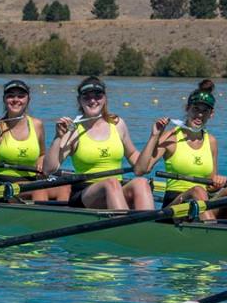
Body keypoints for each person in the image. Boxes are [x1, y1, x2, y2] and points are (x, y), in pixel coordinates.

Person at [135, 79, 227, 221]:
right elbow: (140, 170)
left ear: (211, 114)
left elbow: (210, 186)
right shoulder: (171, 137)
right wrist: (154, 136)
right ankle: (211, 231)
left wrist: (218, 182)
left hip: (202, 202)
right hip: (174, 205)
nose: (199, 115)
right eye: (196, 109)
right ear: (187, 109)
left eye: (205, 111)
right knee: (197, 190)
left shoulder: (211, 141)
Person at [43, 76, 153, 210]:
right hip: (84, 194)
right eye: (87, 97)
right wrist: (57, 137)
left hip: (115, 189)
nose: (93, 100)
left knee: (141, 182)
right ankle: (125, 226)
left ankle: (146, 226)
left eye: (98, 96)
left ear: (105, 99)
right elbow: (49, 169)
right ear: (79, 101)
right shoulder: (73, 130)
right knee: (111, 182)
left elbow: (133, 156)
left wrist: (154, 138)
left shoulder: (117, 124)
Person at [0, 79, 67, 203]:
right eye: (11, 96)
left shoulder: (37, 125)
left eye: (21, 96)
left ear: (28, 100)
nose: (16, 100)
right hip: (2, 184)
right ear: (4, 100)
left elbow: (42, 154)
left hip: (30, 182)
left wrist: (41, 161)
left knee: (65, 188)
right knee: (39, 191)